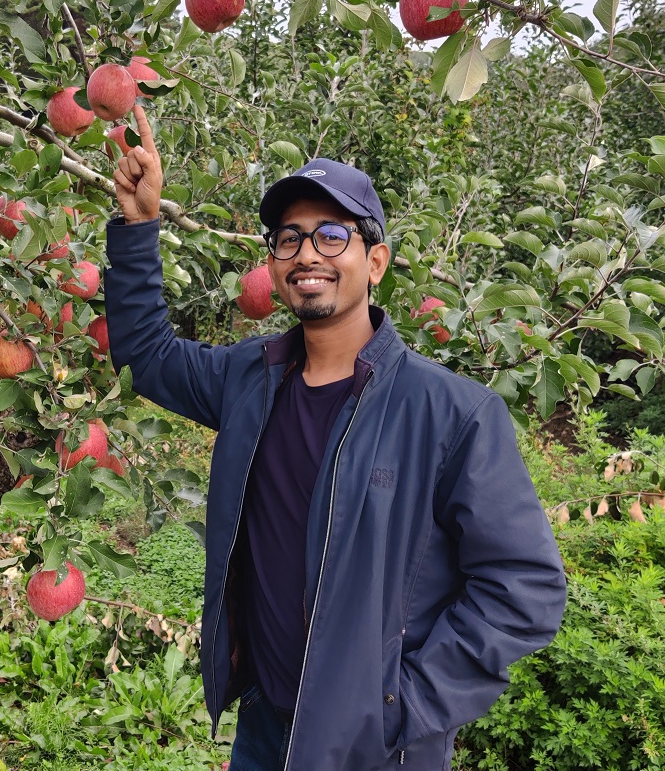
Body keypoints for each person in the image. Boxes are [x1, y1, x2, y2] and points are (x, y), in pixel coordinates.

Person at [104, 105, 566, 771]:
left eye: (329, 235)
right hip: (264, 727)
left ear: (374, 260)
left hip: (375, 749)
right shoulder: (250, 379)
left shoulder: (452, 414)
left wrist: (404, 707)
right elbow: (144, 355)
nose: (305, 255)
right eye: (288, 239)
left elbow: (525, 586)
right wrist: (139, 225)